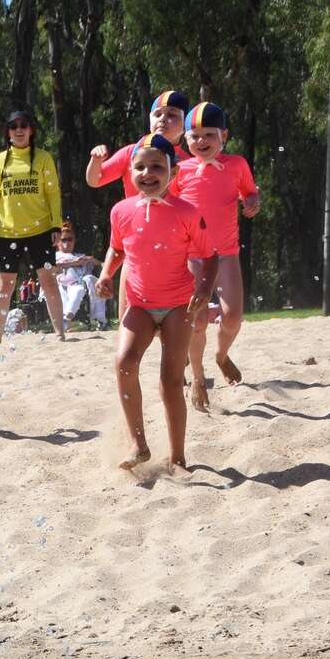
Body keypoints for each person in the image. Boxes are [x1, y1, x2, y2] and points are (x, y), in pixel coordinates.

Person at [95, 135, 216, 472]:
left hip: (179, 305)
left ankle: (177, 456)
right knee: (123, 363)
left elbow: (210, 256)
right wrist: (106, 275)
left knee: (170, 380)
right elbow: (118, 248)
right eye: (140, 167)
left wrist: (204, 290)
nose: (148, 173)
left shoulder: (187, 213)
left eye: (157, 167)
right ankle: (139, 444)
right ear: (130, 172)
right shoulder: (121, 210)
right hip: (139, 303)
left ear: (173, 172)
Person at [176, 103, 260, 412]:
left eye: (209, 134)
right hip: (192, 257)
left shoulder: (237, 165)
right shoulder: (178, 170)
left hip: (226, 255)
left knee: (233, 316)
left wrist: (252, 201)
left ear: (223, 135)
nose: (201, 141)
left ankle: (221, 356)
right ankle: (198, 377)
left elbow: (250, 192)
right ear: (185, 139)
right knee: (196, 322)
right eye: (194, 135)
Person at [86, 91, 193, 322]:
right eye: (158, 113)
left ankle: (185, 353)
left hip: (176, 254)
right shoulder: (131, 154)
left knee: (185, 328)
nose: (164, 119)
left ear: (184, 126)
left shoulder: (187, 162)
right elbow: (95, 180)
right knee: (129, 322)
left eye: (173, 115)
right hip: (134, 253)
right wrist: (95, 160)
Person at [0, 110, 66, 342]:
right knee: (5, 286)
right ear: (7, 132)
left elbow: (53, 194)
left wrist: (56, 226)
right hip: (8, 233)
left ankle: (60, 333)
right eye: (13, 126)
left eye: (24, 125)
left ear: (31, 130)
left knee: (48, 280)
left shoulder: (43, 158)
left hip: (40, 231)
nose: (19, 130)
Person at [52, 223, 106, 330]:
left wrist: (92, 260)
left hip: (80, 285)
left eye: (70, 239)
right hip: (61, 285)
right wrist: (73, 263)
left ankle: (68, 318)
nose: (67, 242)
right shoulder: (55, 256)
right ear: (58, 241)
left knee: (81, 287)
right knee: (75, 289)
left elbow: (103, 265)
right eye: (63, 240)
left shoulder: (80, 256)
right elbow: (52, 267)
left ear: (74, 240)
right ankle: (66, 318)